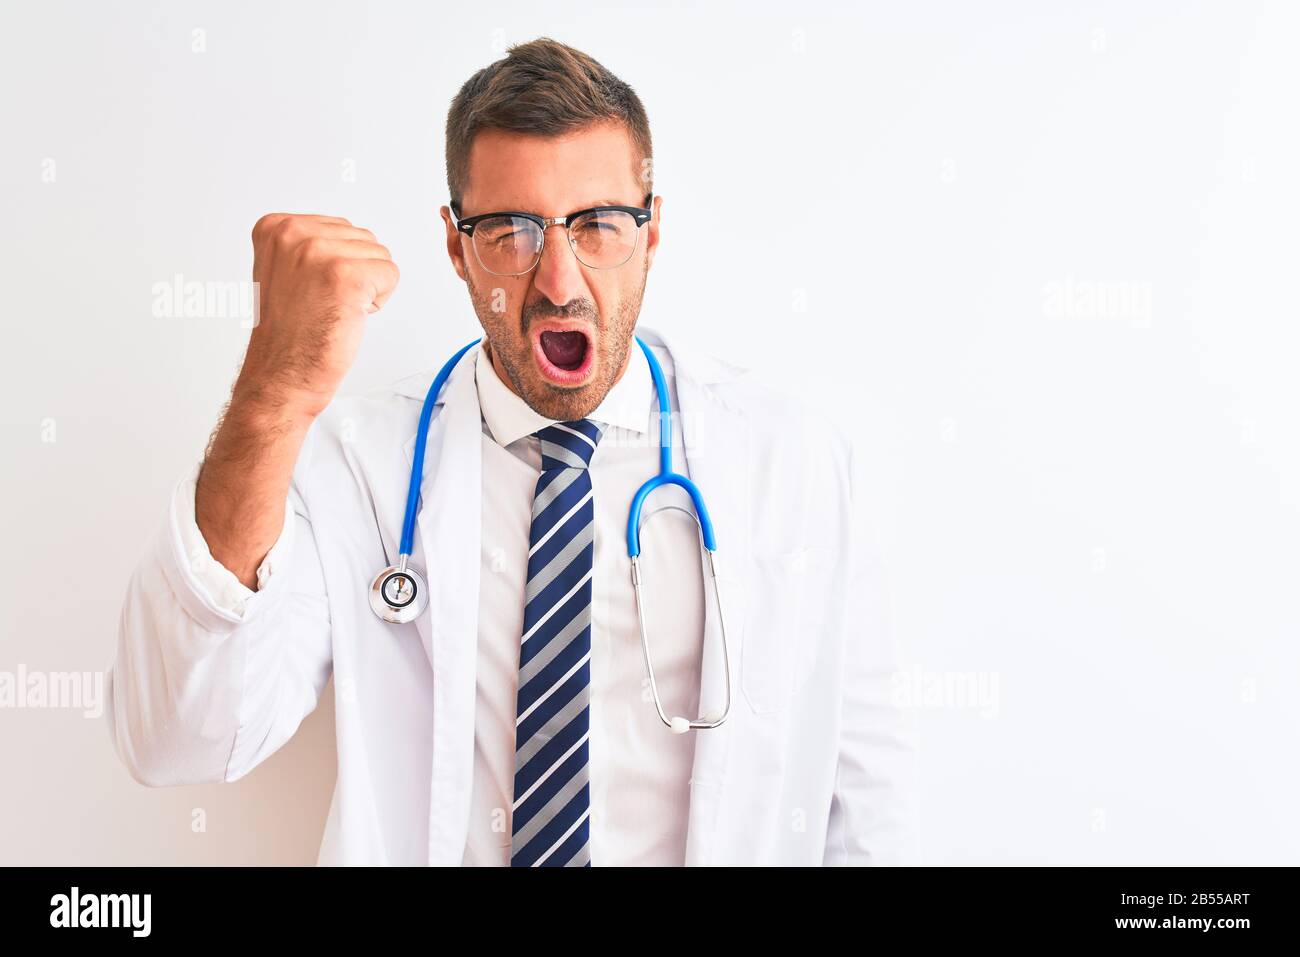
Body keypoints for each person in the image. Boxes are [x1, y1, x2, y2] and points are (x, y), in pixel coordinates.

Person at [106, 36, 919, 867]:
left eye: (599, 225)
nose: (560, 281)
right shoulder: (353, 467)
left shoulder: (791, 461)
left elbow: (868, 800)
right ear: (456, 246)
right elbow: (178, 739)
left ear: (652, 229)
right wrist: (273, 387)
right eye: (512, 232)